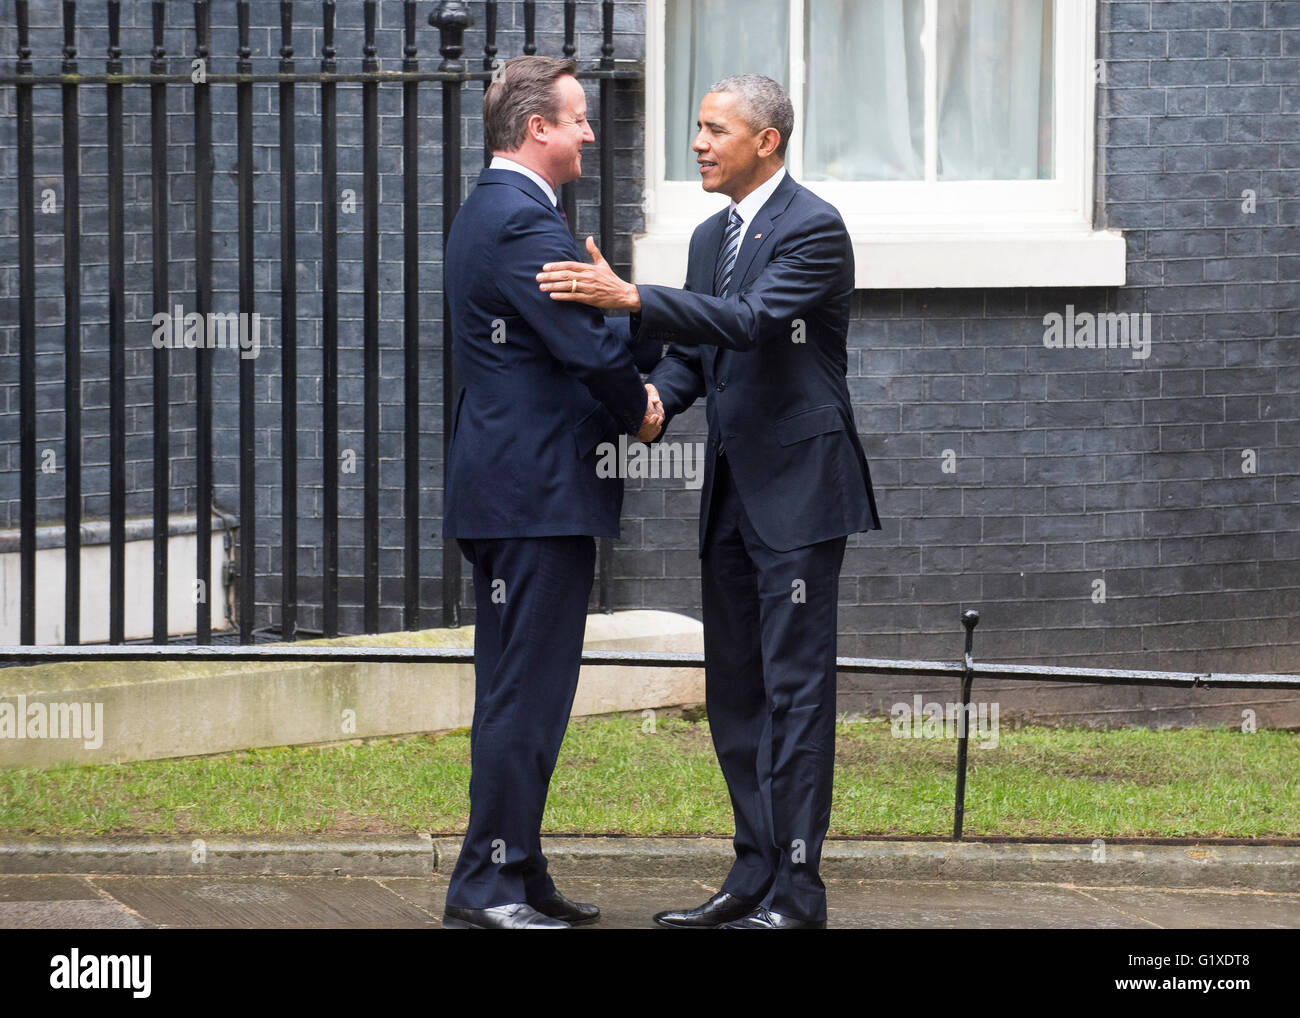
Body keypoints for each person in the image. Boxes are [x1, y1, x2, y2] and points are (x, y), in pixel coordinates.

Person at [537, 73, 880, 929]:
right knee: (736, 690)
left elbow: (753, 322)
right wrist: (651, 406)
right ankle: (751, 876)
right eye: (696, 127)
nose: (697, 142)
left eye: (714, 129)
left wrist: (631, 297)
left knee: (796, 694)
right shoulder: (705, 237)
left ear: (766, 141)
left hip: (801, 494)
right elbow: (695, 356)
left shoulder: (815, 229)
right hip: (730, 496)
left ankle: (799, 895)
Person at [441, 55, 663, 930]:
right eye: (577, 119)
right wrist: (643, 404)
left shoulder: (501, 210)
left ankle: (517, 872)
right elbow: (590, 349)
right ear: (538, 129)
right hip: (531, 493)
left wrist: (619, 315)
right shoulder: (522, 223)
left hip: (513, 490)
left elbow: (573, 336)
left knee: (525, 690)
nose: (588, 133)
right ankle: (485, 889)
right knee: (524, 695)